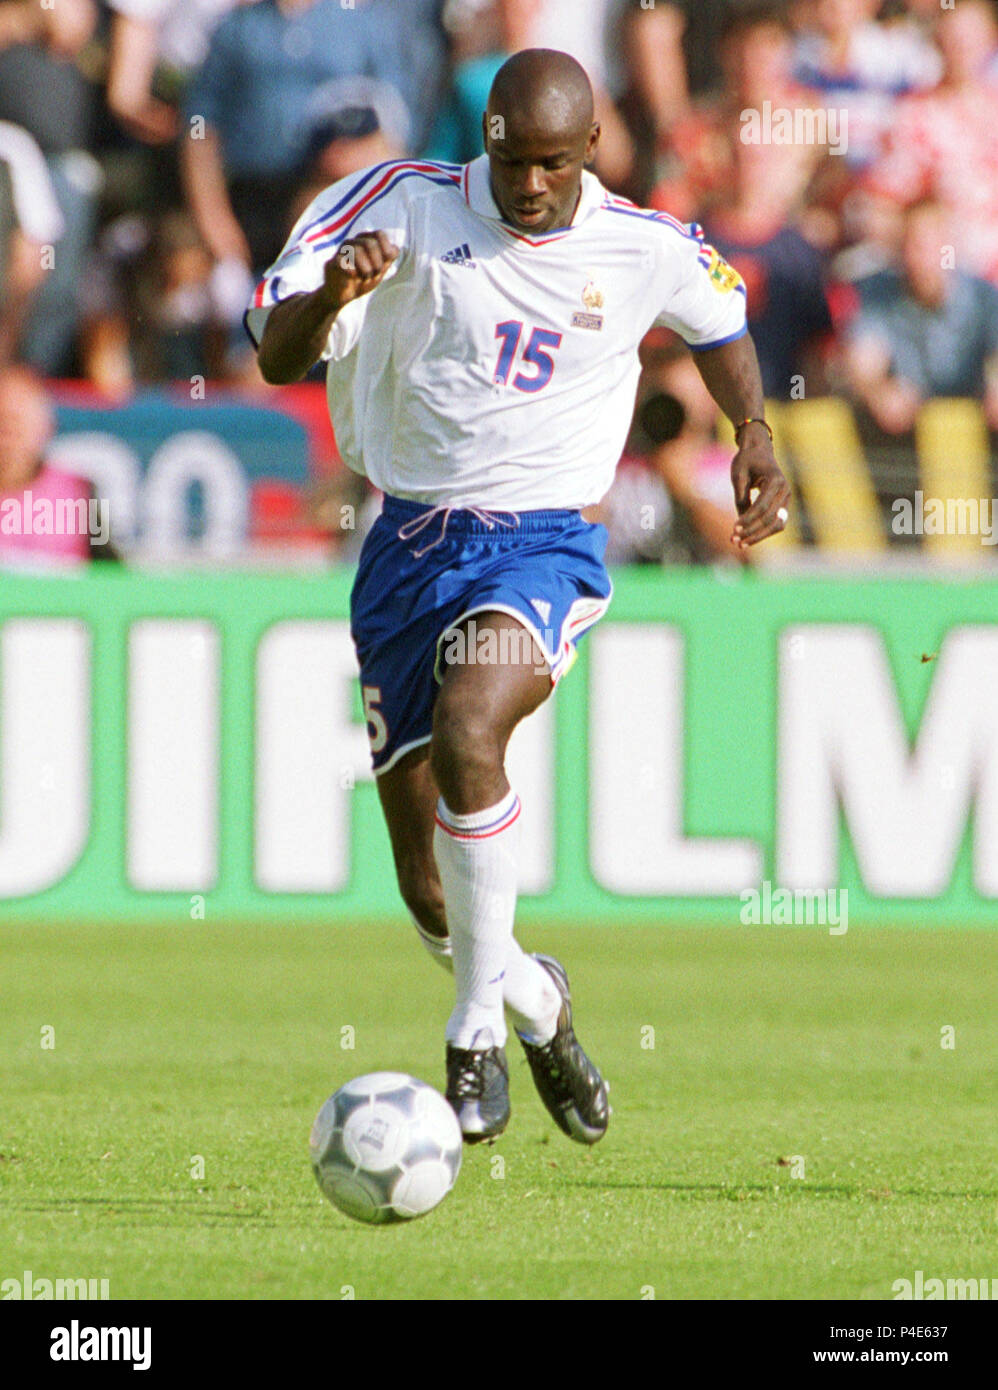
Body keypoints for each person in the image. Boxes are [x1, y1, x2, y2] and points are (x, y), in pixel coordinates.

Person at [246, 49, 790, 1145]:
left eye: (549, 162)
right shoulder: (400, 205)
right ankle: (533, 1002)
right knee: (431, 895)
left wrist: (755, 435)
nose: (527, 182)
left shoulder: (638, 244)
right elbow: (273, 353)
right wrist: (337, 296)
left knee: (469, 722)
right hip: (405, 541)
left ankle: (472, 1036)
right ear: (481, 133)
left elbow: (716, 318)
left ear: (589, 149)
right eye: (508, 155)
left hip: (542, 540)